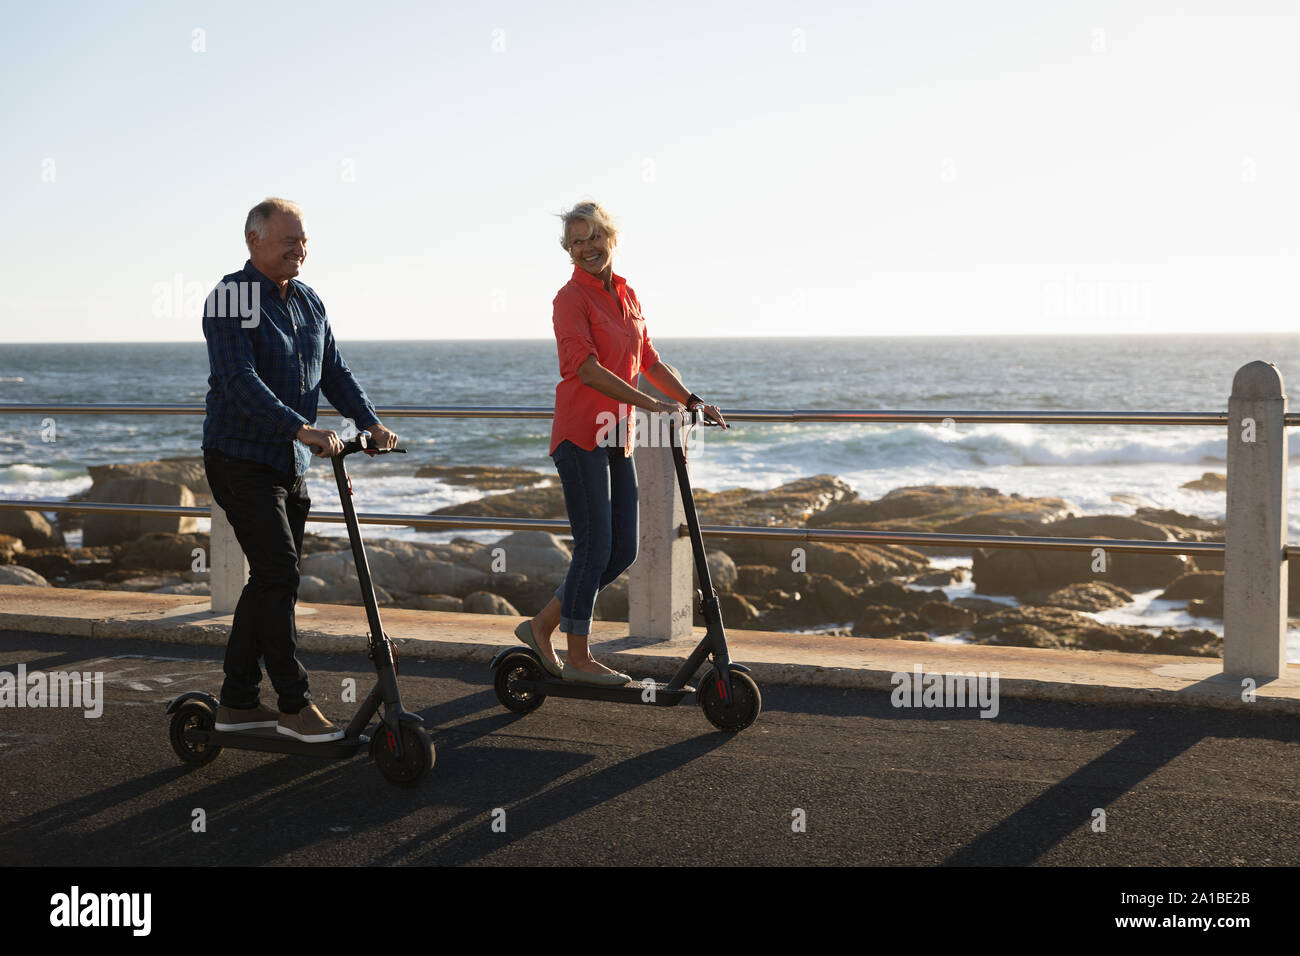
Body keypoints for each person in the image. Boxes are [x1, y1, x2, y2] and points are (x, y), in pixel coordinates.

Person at [201, 197, 397, 741]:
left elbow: (333, 370)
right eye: (289, 240)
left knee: (271, 580)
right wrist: (301, 428)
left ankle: (238, 701)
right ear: (254, 241)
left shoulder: (308, 300)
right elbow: (239, 379)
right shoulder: (233, 297)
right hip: (240, 458)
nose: (300, 249)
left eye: (303, 240)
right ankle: (293, 704)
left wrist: (370, 423)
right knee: (280, 574)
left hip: (289, 464)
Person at [515, 201, 727, 685]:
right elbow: (585, 369)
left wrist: (694, 401)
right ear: (567, 251)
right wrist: (653, 407)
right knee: (593, 545)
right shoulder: (569, 299)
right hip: (579, 434)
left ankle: (542, 624)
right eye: (576, 242)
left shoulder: (626, 293)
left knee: (622, 550)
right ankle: (579, 657)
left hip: (616, 435)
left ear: (611, 237)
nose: (586, 248)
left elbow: (649, 360)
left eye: (593, 238)